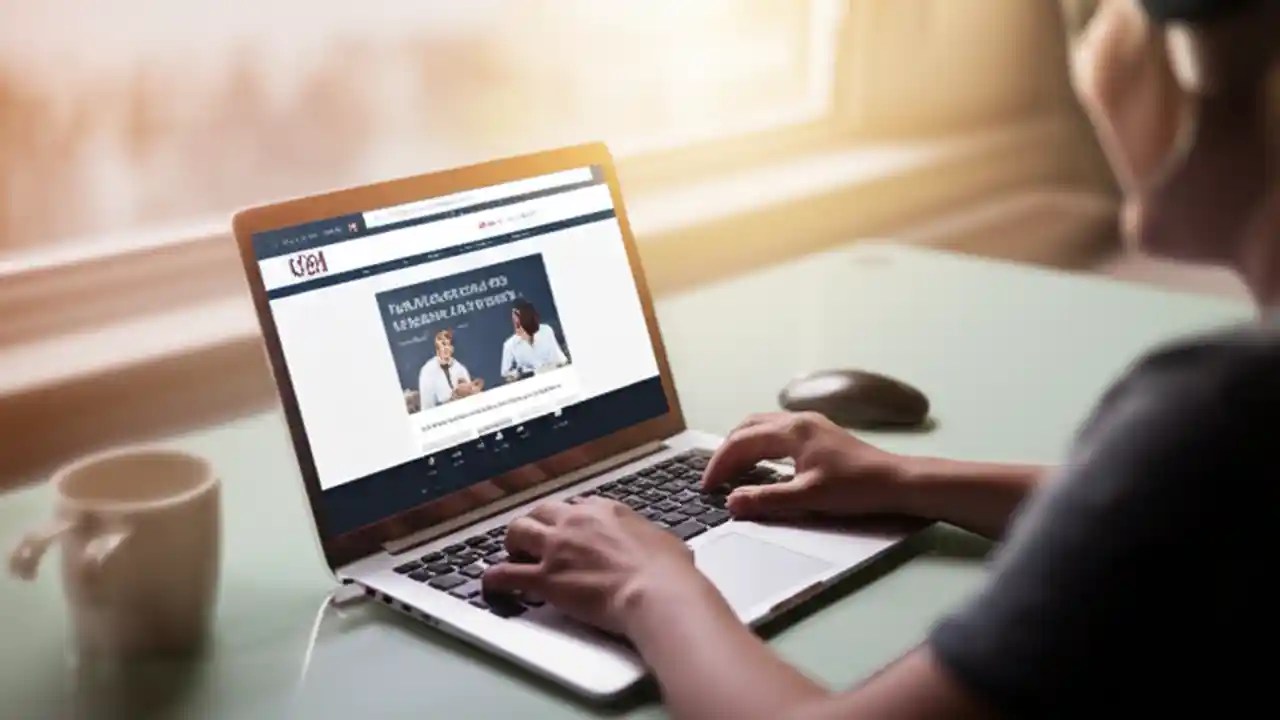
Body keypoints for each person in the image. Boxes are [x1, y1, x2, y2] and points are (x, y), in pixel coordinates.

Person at [483, 0, 1280, 717]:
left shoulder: (1221, 415)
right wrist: (906, 481)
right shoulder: (1219, 446)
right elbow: (1177, 517)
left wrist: (645, 585)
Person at [499, 298, 568, 381]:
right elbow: (506, 374)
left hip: (555, 375)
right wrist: (516, 375)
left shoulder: (546, 330)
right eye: (515, 318)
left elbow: (559, 359)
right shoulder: (509, 345)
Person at [417, 328, 483, 411]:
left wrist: (472, 390)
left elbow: (469, 401)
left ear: (452, 348)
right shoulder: (427, 372)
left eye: (448, 345)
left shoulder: (460, 368)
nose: (445, 349)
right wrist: (454, 396)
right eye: (442, 345)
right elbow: (428, 407)